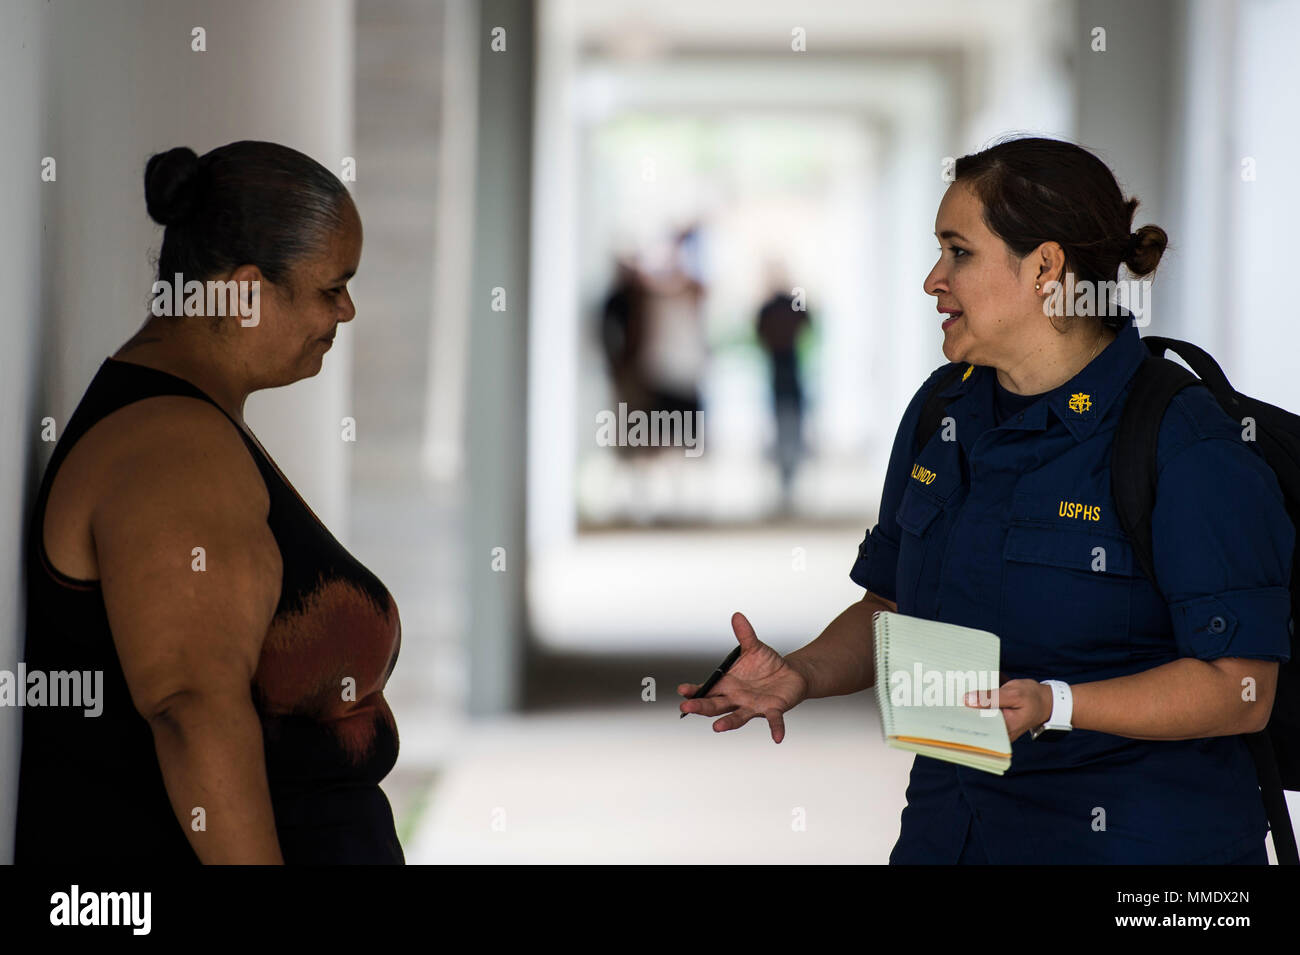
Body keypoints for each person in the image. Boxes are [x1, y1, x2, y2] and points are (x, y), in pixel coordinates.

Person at [678, 135, 1294, 864]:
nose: (933, 279)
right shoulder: (943, 411)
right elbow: (896, 606)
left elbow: (1242, 687)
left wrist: (1058, 704)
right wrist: (803, 673)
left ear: (1045, 267)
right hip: (950, 835)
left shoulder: (1182, 442)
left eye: (958, 251)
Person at [15, 141, 405, 864]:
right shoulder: (173, 450)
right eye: (331, 287)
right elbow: (193, 710)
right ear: (248, 291)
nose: (347, 310)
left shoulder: (188, 425)